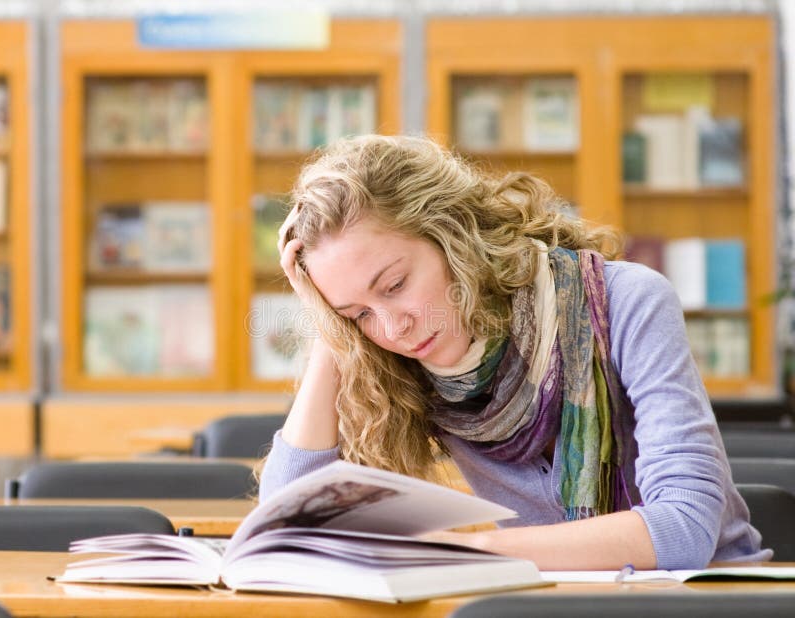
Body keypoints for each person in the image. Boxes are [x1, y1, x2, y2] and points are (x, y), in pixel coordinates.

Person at [259, 134, 770, 570]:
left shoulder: (629, 301)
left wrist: (471, 548)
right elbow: (288, 525)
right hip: (551, 602)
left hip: (711, 599)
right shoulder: (404, 362)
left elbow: (684, 528)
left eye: (394, 284)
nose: (395, 327)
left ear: (453, 235)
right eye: (360, 313)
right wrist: (331, 329)